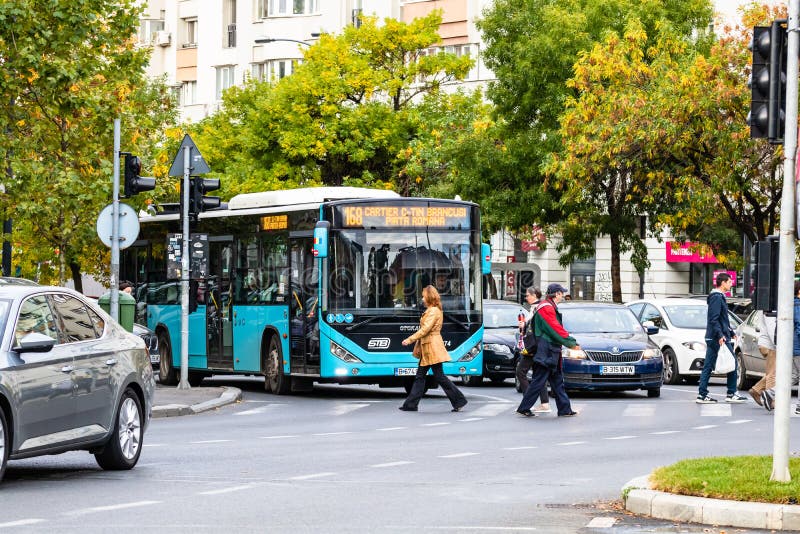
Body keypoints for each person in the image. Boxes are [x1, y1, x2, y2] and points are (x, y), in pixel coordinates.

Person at [399, 285, 468, 412]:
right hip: (428, 347)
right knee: (421, 376)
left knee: (438, 376)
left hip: (432, 347)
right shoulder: (433, 310)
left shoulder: (433, 311)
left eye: (424, 296)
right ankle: (410, 404)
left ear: (429, 297)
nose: (422, 299)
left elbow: (425, 329)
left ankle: (459, 400)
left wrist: (409, 339)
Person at [516, 283, 579, 417]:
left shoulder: (547, 306)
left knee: (557, 381)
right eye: (562, 293)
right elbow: (555, 328)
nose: (563, 296)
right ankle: (524, 407)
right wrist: (571, 342)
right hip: (547, 351)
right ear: (557, 294)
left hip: (550, 351)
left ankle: (565, 409)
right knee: (539, 381)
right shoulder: (547, 308)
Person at [696, 273, 747, 403]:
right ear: (723, 283)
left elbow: (722, 319)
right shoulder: (717, 297)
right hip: (716, 337)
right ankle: (730, 393)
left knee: (711, 365)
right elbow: (714, 319)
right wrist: (720, 335)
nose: (731, 284)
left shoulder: (719, 297)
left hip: (717, 336)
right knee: (732, 363)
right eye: (730, 282)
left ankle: (704, 394)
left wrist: (730, 332)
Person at [762, 281, 800, 414]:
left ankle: (771, 393)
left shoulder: (788, 305)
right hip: (797, 346)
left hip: (791, 346)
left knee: (793, 376)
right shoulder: (798, 305)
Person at [516, 287, 550, 413]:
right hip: (538, 346)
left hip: (533, 346)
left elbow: (535, 328)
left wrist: (524, 325)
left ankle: (527, 401)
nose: (526, 297)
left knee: (521, 372)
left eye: (528, 295)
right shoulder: (536, 308)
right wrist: (524, 325)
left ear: (535, 295)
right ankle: (545, 403)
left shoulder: (537, 308)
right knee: (538, 375)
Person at [748, 310, 776, 408]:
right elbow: (772, 329)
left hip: (767, 343)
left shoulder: (766, 306)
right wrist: (778, 344)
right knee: (773, 374)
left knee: (773, 372)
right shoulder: (770, 308)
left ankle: (756, 390)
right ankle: (771, 400)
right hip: (771, 345)